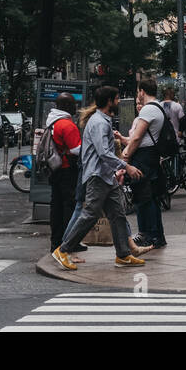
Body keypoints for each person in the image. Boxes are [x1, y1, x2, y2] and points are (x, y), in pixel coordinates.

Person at [53, 86, 146, 270]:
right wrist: (126, 166)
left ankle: (123, 255)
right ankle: (63, 250)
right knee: (90, 214)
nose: (119, 102)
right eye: (117, 99)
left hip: (105, 176)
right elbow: (104, 153)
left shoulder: (102, 120)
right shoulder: (99, 123)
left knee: (117, 214)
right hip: (97, 176)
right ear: (109, 101)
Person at [119, 77, 166, 249]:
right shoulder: (159, 107)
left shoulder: (148, 110)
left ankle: (149, 234)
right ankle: (156, 235)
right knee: (150, 197)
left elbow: (137, 137)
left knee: (143, 198)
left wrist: (125, 158)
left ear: (141, 91)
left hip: (143, 157)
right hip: (150, 156)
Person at [44, 93, 83, 252]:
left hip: (55, 170)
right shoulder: (67, 125)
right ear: (67, 106)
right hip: (67, 169)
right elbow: (76, 150)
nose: (76, 107)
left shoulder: (52, 122)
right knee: (69, 207)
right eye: (74, 104)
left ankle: (56, 242)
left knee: (56, 206)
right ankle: (69, 242)